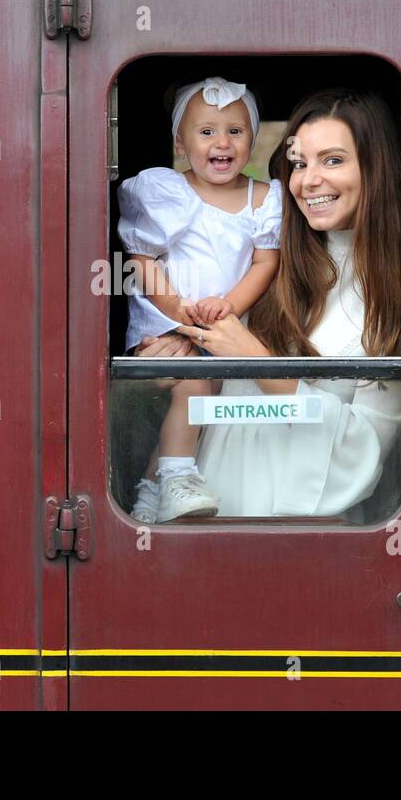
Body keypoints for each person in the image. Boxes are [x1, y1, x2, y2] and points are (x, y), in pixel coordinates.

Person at [136, 89, 401, 517]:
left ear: (376, 168)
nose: (308, 180)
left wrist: (258, 361)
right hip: (204, 517)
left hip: (303, 538)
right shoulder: (257, 267)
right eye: (300, 163)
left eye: (332, 160)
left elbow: (365, 450)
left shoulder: (400, 296)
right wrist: (160, 369)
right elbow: (197, 396)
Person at [117, 77, 283, 523]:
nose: (221, 142)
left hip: (227, 327)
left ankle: (151, 495)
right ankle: (176, 477)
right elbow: (142, 261)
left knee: (204, 406)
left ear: (252, 138)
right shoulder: (165, 190)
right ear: (179, 141)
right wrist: (177, 310)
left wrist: (227, 306)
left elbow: (265, 264)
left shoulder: (264, 198)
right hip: (169, 325)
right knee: (195, 389)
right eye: (206, 131)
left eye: (235, 130)